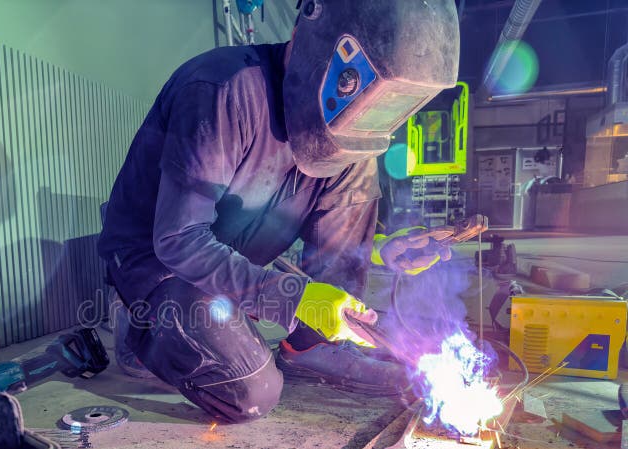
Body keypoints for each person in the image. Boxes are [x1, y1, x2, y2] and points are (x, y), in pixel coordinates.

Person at [98, 0, 461, 423]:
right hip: (161, 262)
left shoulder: (347, 133)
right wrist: (291, 298)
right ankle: (141, 328)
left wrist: (380, 250)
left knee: (360, 163)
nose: (366, 111)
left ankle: (311, 345)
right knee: (250, 390)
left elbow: (330, 240)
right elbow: (179, 239)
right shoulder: (224, 89)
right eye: (359, 87)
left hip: (232, 250)